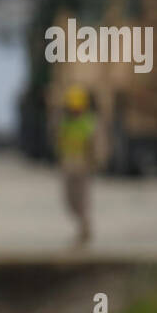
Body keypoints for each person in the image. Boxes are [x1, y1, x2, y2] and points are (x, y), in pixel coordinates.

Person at [57, 84, 96, 246]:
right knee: (69, 200)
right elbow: (59, 141)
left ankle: (84, 229)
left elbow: (95, 145)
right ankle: (83, 227)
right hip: (68, 164)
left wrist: (94, 162)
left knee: (81, 200)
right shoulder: (65, 123)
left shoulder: (88, 123)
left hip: (82, 165)